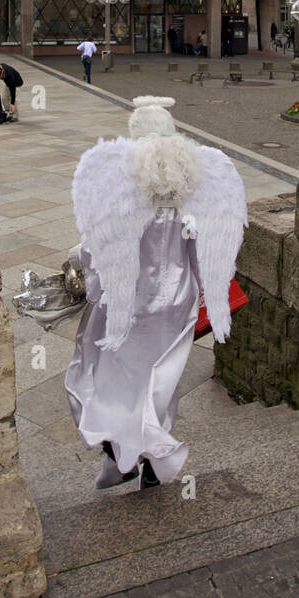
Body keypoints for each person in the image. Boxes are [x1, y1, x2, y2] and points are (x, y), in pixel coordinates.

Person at [64, 96, 247, 491]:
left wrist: (90, 280)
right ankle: (146, 462)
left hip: (128, 302)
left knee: (112, 378)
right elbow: (205, 249)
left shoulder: (118, 185)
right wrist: (208, 290)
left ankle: (128, 453)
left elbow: (98, 251)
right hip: (176, 301)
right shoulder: (194, 181)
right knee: (160, 382)